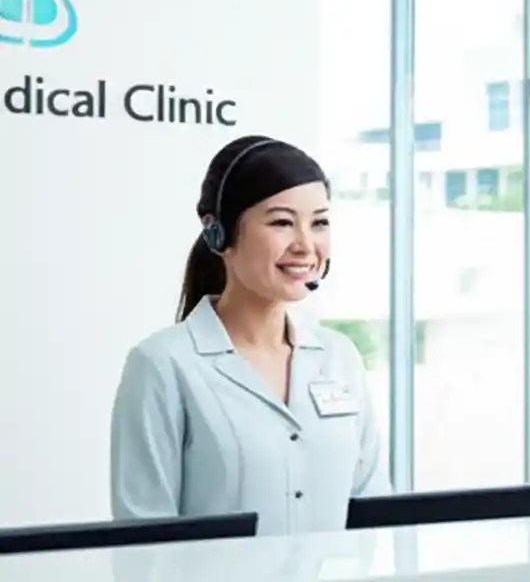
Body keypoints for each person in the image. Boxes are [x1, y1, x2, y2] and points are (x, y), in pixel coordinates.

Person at [109, 135, 389, 536]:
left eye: (320, 222)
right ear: (218, 235)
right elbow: (142, 540)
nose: (306, 246)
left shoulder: (340, 357)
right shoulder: (162, 365)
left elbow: (374, 514)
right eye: (281, 223)